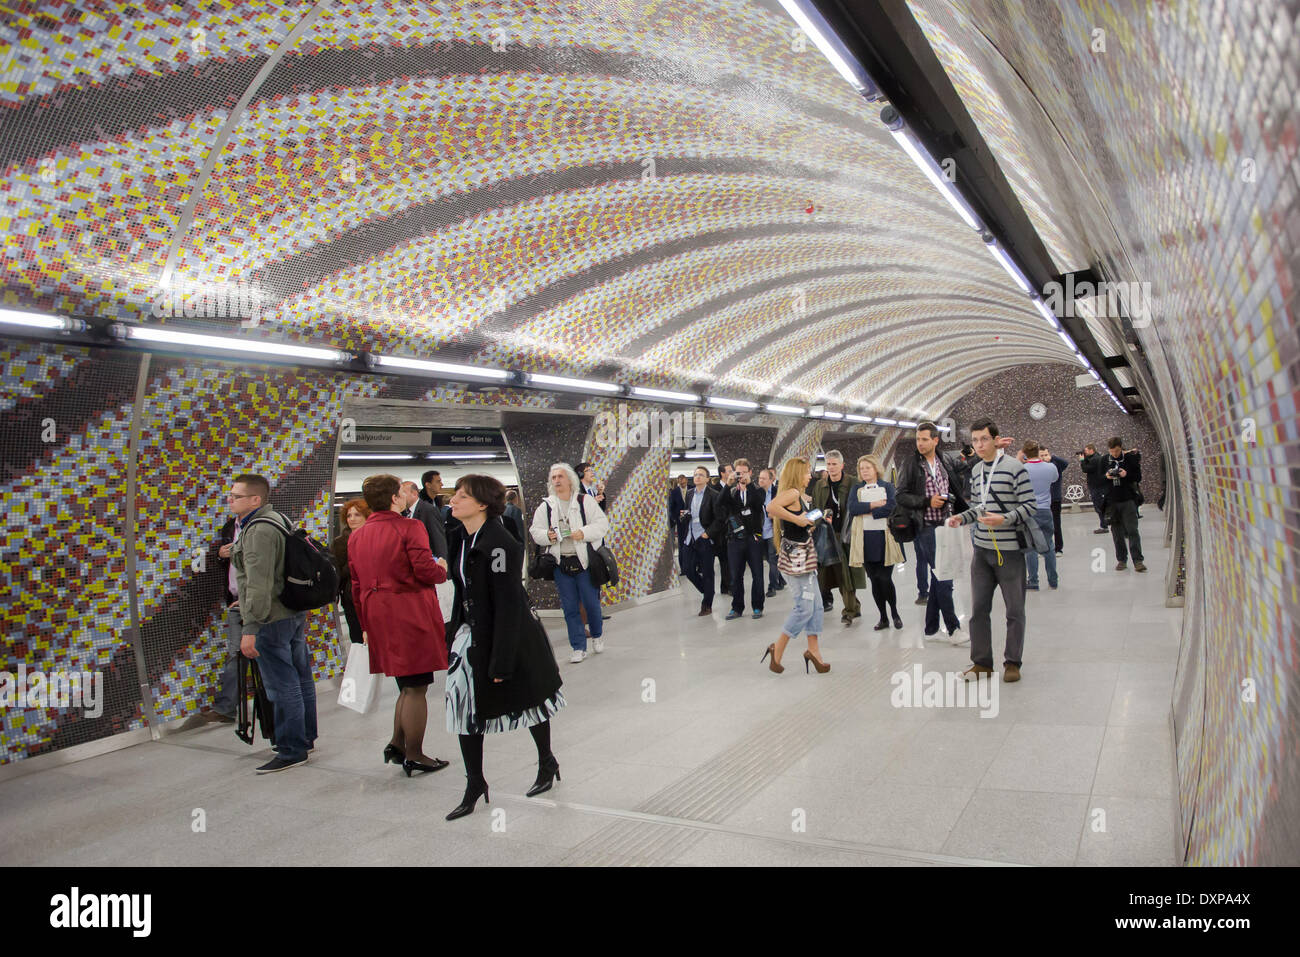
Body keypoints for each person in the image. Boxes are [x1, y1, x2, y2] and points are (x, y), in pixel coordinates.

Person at [444, 474, 565, 820]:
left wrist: (501, 661)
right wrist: (453, 633)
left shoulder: (499, 544)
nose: (453, 501)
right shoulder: (462, 538)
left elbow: (509, 603)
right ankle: (474, 782)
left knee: (531, 701)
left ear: (482, 504)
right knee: (463, 708)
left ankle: (547, 761)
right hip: (471, 634)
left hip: (507, 636)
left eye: (462, 497)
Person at [347, 474, 450, 776]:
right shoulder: (410, 527)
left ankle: (397, 743)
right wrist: (440, 569)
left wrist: (365, 623)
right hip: (408, 611)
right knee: (417, 685)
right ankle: (416, 754)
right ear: (394, 498)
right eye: (402, 492)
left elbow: (356, 585)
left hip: (377, 612)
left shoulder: (358, 536)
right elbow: (423, 569)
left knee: (405, 683)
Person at [228, 473, 317, 773]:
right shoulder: (277, 518)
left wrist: (249, 629)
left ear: (255, 499)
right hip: (291, 611)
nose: (230, 500)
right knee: (301, 677)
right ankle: (305, 738)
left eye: (236, 496)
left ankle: (292, 749)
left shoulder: (257, 532)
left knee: (282, 685)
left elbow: (259, 583)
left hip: (270, 618)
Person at [945, 419, 1036, 682]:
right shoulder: (975, 472)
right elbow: (979, 507)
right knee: (978, 609)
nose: (979, 445)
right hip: (982, 551)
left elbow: (1030, 505)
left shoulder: (1015, 468)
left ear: (996, 440)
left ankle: (1012, 662)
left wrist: (1004, 519)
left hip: (1009, 551)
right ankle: (982, 663)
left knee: (1014, 610)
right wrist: (962, 518)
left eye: (984, 439)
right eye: (975, 440)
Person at [529, 462, 611, 662]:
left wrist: (582, 533)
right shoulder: (546, 506)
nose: (556, 480)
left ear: (570, 480)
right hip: (560, 563)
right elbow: (535, 531)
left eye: (560, 476)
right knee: (570, 607)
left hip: (584, 562)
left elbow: (602, 525)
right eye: (554, 477)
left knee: (591, 603)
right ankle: (578, 646)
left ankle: (597, 634)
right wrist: (548, 536)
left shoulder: (585, 501)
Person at [896, 422, 969, 640]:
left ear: (936, 440)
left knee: (939, 576)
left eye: (925, 439)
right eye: (918, 439)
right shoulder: (910, 464)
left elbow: (963, 471)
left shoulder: (944, 460)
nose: (920, 443)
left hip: (946, 525)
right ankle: (953, 628)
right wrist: (927, 501)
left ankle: (930, 629)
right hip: (925, 526)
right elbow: (900, 495)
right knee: (944, 576)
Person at [762, 456, 829, 675]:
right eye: (807, 471)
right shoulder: (791, 492)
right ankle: (777, 649)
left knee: (816, 606)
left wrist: (807, 522)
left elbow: (793, 519)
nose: (810, 475)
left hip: (804, 555)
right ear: (797, 473)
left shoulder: (798, 495)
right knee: (805, 607)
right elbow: (771, 508)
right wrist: (798, 520)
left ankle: (814, 651)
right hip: (796, 560)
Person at [847, 455, 901, 630]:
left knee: (885, 578)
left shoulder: (887, 487)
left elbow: (892, 506)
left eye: (867, 468)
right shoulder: (856, 488)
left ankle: (894, 612)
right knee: (874, 580)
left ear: (876, 469)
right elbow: (853, 508)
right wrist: (874, 505)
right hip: (865, 539)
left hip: (884, 537)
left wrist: (870, 512)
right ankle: (883, 617)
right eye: (861, 468)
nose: (864, 471)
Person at [811, 450, 861, 624]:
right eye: (828, 464)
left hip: (847, 534)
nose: (831, 467)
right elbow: (815, 508)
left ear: (842, 465)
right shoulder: (820, 485)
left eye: (834, 464)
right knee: (834, 574)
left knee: (845, 573)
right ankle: (853, 606)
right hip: (827, 535)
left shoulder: (853, 482)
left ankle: (849, 610)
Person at [205, 513, 241, 723]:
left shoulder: (264, 526)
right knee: (235, 655)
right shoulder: (230, 528)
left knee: (270, 654)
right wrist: (221, 556)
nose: (232, 501)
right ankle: (226, 707)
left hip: (260, 603)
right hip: (235, 602)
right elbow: (228, 568)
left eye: (237, 496)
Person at [720, 458, 766, 620]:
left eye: (744, 472)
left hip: (753, 538)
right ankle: (737, 607)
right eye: (738, 472)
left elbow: (759, 503)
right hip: (735, 539)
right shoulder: (732, 492)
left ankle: (757, 606)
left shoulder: (758, 490)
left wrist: (750, 485)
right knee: (736, 575)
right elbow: (720, 503)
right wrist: (728, 484)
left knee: (757, 574)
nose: (741, 475)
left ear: (750, 472)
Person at [1019, 442, 1060, 590]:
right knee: (1048, 545)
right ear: (1038, 451)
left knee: (1030, 548)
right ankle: (1053, 580)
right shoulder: (1050, 467)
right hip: (1045, 510)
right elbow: (1054, 479)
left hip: (1029, 511)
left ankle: (1034, 581)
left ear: (1025, 453)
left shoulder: (1022, 469)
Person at [680, 466, 720, 616]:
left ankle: (707, 604)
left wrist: (708, 534)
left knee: (708, 571)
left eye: (701, 475)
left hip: (704, 538)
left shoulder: (713, 495)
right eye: (695, 474)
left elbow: (719, 519)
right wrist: (684, 516)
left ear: (707, 479)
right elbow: (686, 511)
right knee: (688, 570)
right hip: (690, 537)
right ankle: (707, 590)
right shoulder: (689, 494)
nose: (697, 477)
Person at [1102, 437, 1145, 572]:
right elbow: (1098, 480)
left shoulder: (1130, 459)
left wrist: (1126, 474)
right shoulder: (1104, 460)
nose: (1114, 454)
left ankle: (1138, 561)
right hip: (1112, 501)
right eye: (1112, 451)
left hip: (1128, 499)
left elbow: (1138, 477)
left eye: (1117, 451)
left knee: (1132, 530)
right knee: (1116, 533)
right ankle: (1121, 560)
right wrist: (1106, 476)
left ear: (1121, 448)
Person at [330, 497, 370, 644]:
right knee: (358, 638)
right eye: (349, 515)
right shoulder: (340, 543)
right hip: (351, 596)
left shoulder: (374, 537)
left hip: (375, 595)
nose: (352, 519)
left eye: (357, 514)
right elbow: (337, 572)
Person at [399, 480, 448, 560]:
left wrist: (441, 566)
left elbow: (438, 540)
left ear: (414, 494)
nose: (400, 496)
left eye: (403, 493)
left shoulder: (428, 510)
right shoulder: (404, 512)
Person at [757, 467, 785, 597]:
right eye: (759, 478)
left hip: (774, 530)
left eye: (763, 478)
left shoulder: (777, 492)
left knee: (773, 558)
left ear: (771, 480)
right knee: (768, 558)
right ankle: (781, 578)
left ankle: (772, 586)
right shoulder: (757, 494)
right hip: (760, 531)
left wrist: (776, 515)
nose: (760, 480)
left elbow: (784, 510)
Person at [1038, 445, 1069, 553]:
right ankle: (1043, 548)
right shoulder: (1036, 467)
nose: (1044, 457)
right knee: (1041, 527)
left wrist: (1052, 457)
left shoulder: (1055, 465)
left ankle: (1058, 548)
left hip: (1055, 499)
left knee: (1056, 525)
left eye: (1046, 455)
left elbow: (1065, 463)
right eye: (1041, 455)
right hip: (1041, 501)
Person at [1078, 444, 1110, 534]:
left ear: (1091, 450)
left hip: (1097, 486)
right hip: (1098, 485)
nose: (1085, 452)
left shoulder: (1095, 459)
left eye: (1086, 450)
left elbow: (1085, 469)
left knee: (1099, 506)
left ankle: (1104, 526)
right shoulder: (1097, 457)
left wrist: (1082, 460)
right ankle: (1104, 524)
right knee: (1100, 506)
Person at [668, 475, 689, 575]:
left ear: (686, 480)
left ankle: (697, 566)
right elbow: (671, 508)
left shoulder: (692, 489)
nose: (682, 482)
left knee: (695, 544)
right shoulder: (674, 492)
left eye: (683, 480)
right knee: (682, 545)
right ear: (678, 481)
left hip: (692, 521)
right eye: (680, 480)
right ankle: (683, 568)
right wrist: (675, 519)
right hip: (680, 523)